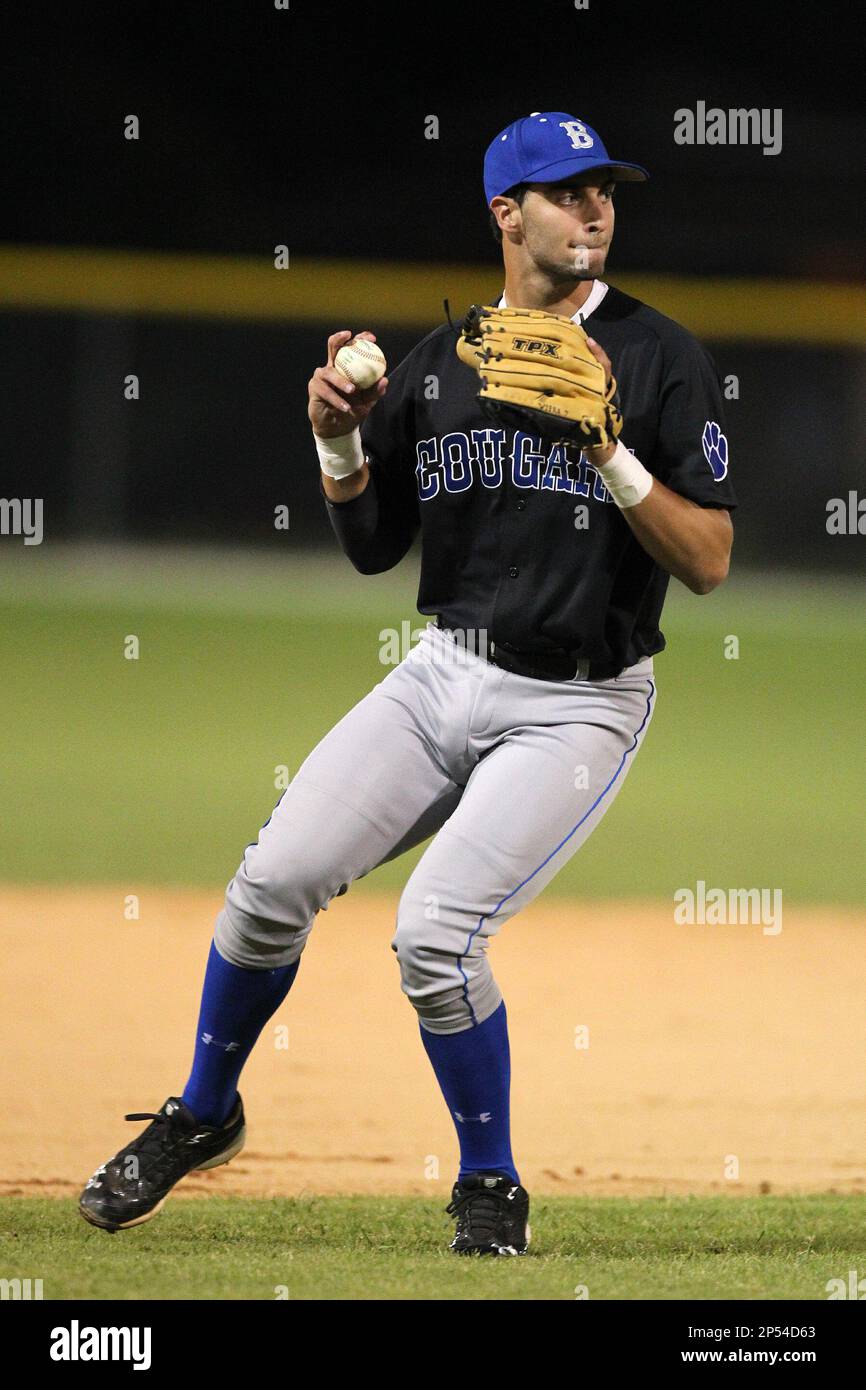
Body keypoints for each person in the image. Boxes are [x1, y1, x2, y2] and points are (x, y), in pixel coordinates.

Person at [80, 112, 736, 1256]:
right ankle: (204, 1109)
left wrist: (604, 448)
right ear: (505, 213)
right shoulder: (440, 364)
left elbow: (709, 560)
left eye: (604, 190)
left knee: (434, 935)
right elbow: (372, 545)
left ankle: (489, 1183)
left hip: (579, 700)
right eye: (567, 190)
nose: (595, 208)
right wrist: (335, 441)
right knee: (270, 881)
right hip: (441, 674)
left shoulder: (655, 356)